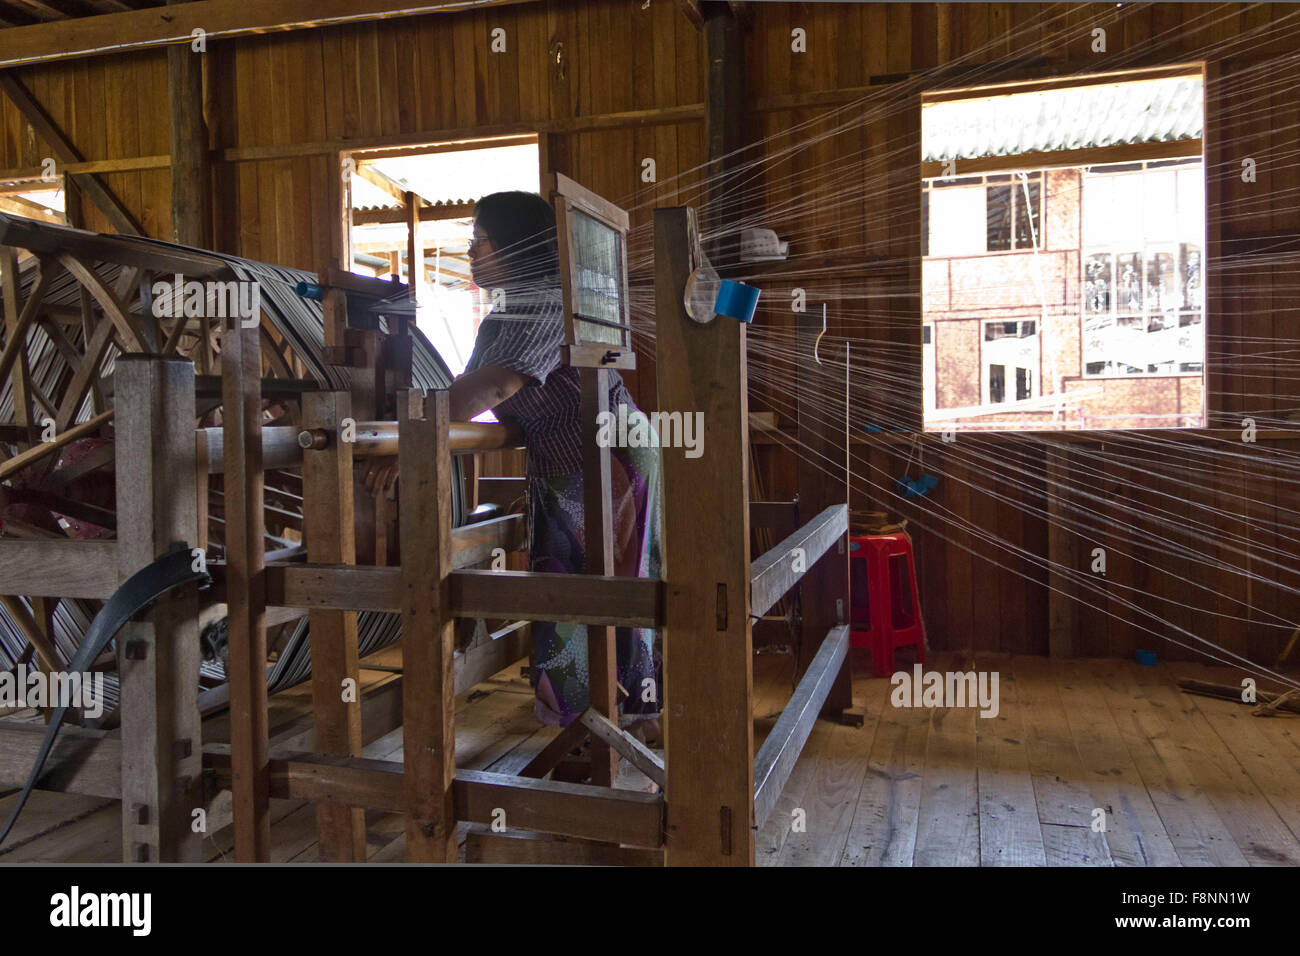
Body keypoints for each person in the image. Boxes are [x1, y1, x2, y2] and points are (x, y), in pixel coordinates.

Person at [364, 191, 662, 742]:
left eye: (479, 241)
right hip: (576, 458)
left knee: (598, 585)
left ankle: (620, 721)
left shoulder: (545, 301)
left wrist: (408, 440)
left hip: (605, 457)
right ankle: (604, 718)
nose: (471, 252)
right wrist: (411, 426)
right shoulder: (507, 312)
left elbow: (495, 385)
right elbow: (468, 387)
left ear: (514, 245)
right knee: (579, 582)